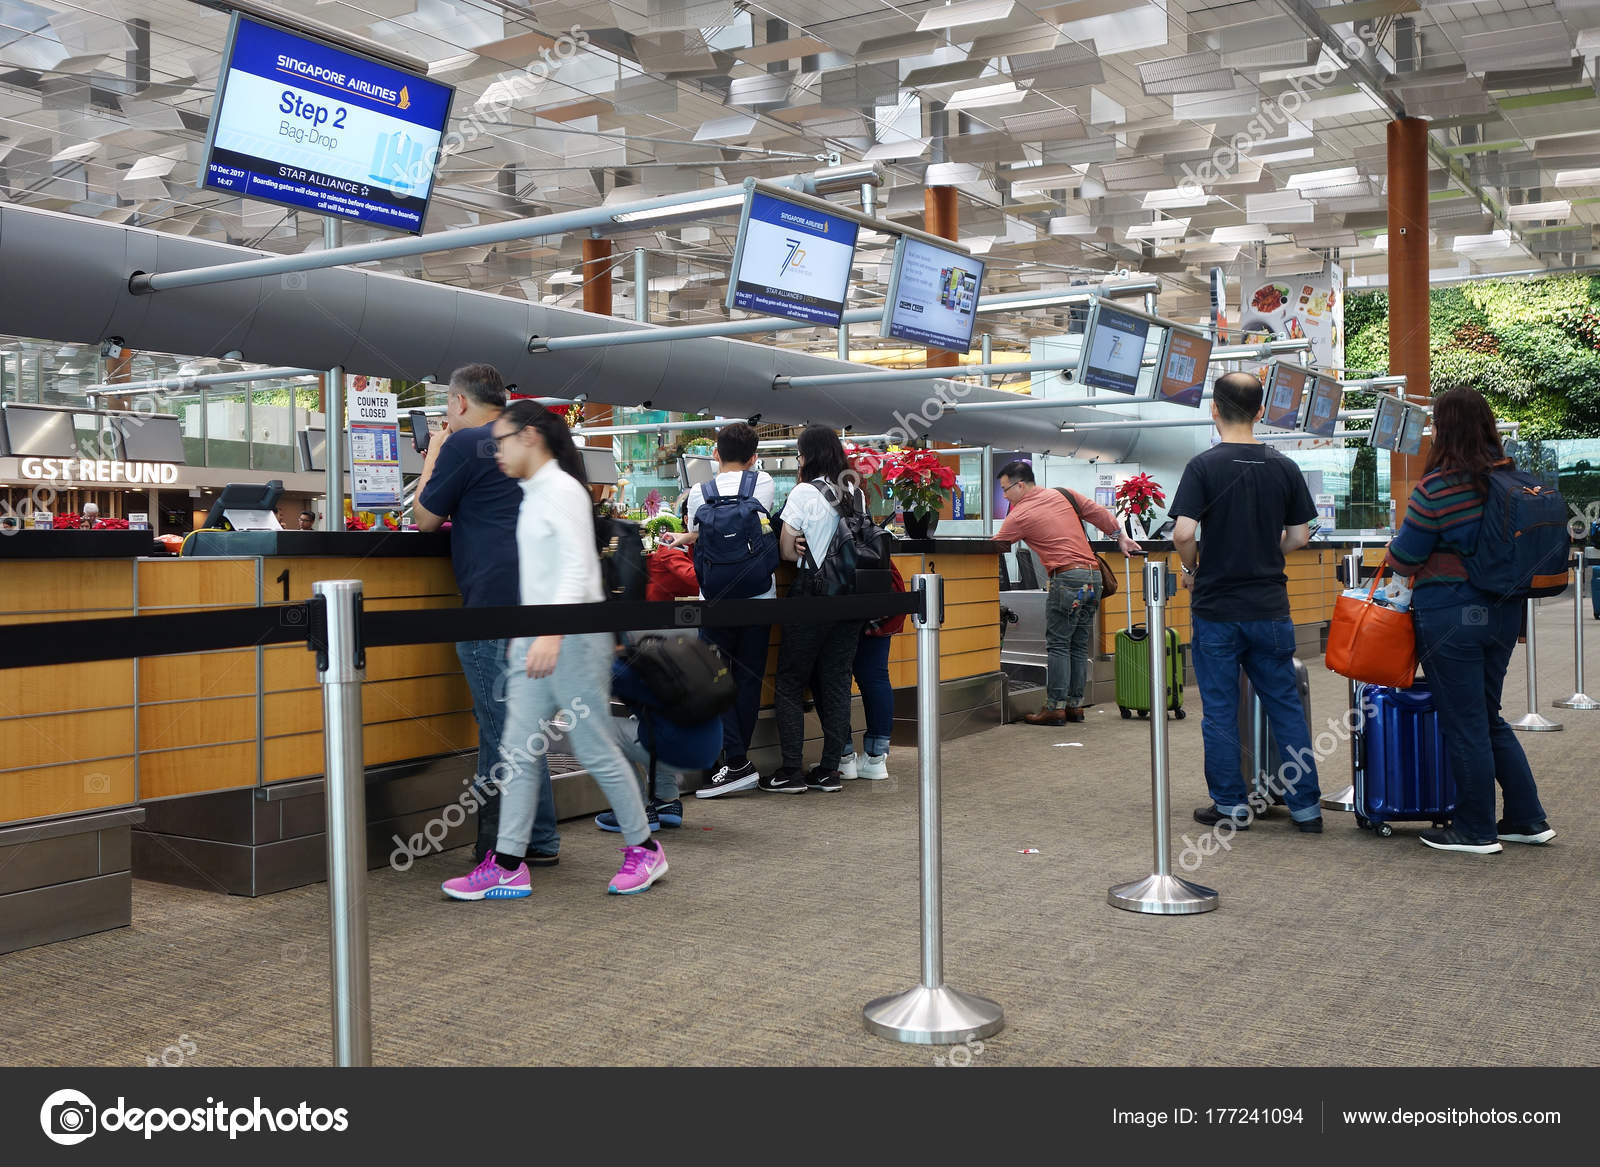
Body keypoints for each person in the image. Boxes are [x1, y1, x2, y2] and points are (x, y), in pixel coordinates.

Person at [442, 401, 667, 899]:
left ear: (530, 437)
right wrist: (535, 634)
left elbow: (576, 567)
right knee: (517, 753)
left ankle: (645, 850)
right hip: (540, 635)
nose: (495, 450)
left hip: (568, 637)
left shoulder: (561, 490)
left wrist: (551, 633)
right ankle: (507, 863)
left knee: (592, 746)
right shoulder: (534, 493)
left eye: (501, 441)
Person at [1385, 387, 1554, 854]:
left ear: (1443, 428)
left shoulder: (1437, 488)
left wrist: (1393, 550)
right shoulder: (1512, 480)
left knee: (1465, 723)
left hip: (1452, 617)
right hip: (1503, 613)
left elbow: (1407, 556)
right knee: (1486, 716)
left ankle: (1475, 828)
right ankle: (1525, 817)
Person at [414, 364, 558, 869]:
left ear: (457, 403)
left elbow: (424, 519)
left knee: (501, 732)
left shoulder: (464, 442)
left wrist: (433, 452)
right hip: (544, 601)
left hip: (492, 604)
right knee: (522, 725)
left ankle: (502, 853)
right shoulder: (535, 438)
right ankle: (538, 839)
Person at [1169, 371, 1324, 833]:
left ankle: (1232, 806)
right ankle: (1306, 808)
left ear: (1213, 410)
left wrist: (1193, 568)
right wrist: (1262, 550)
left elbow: (1182, 533)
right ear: (1261, 412)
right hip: (1270, 608)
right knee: (1284, 705)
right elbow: (1299, 534)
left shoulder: (1203, 466)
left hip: (1217, 609)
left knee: (1218, 708)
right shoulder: (1284, 467)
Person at [660, 422, 777, 798]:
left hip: (715, 600)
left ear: (715, 454)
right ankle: (737, 760)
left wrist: (684, 537)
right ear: (755, 456)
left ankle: (732, 762)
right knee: (748, 681)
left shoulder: (698, 492)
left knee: (714, 678)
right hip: (759, 599)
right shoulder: (764, 484)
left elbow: (705, 533)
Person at [993, 460, 1140, 724]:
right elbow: (1099, 513)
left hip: (1068, 580)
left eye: (1006, 489)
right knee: (1078, 643)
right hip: (1093, 578)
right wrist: (1120, 536)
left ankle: (1055, 707)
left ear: (1021, 485)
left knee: (1059, 643)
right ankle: (1075, 705)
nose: (1004, 496)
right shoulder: (1063, 494)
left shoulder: (1019, 514)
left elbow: (998, 545)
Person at [763, 424, 863, 794]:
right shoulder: (854, 489)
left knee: (790, 682)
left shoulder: (805, 491)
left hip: (813, 593)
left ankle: (791, 770)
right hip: (851, 597)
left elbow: (787, 551)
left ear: (806, 455)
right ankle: (830, 770)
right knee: (835, 681)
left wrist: (799, 544)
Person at [593, 648, 722, 833]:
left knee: (598, 731)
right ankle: (667, 802)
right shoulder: (679, 646)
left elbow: (589, 688)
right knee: (648, 721)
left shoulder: (626, 661)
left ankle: (636, 810)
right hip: (708, 750)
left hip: (673, 748)